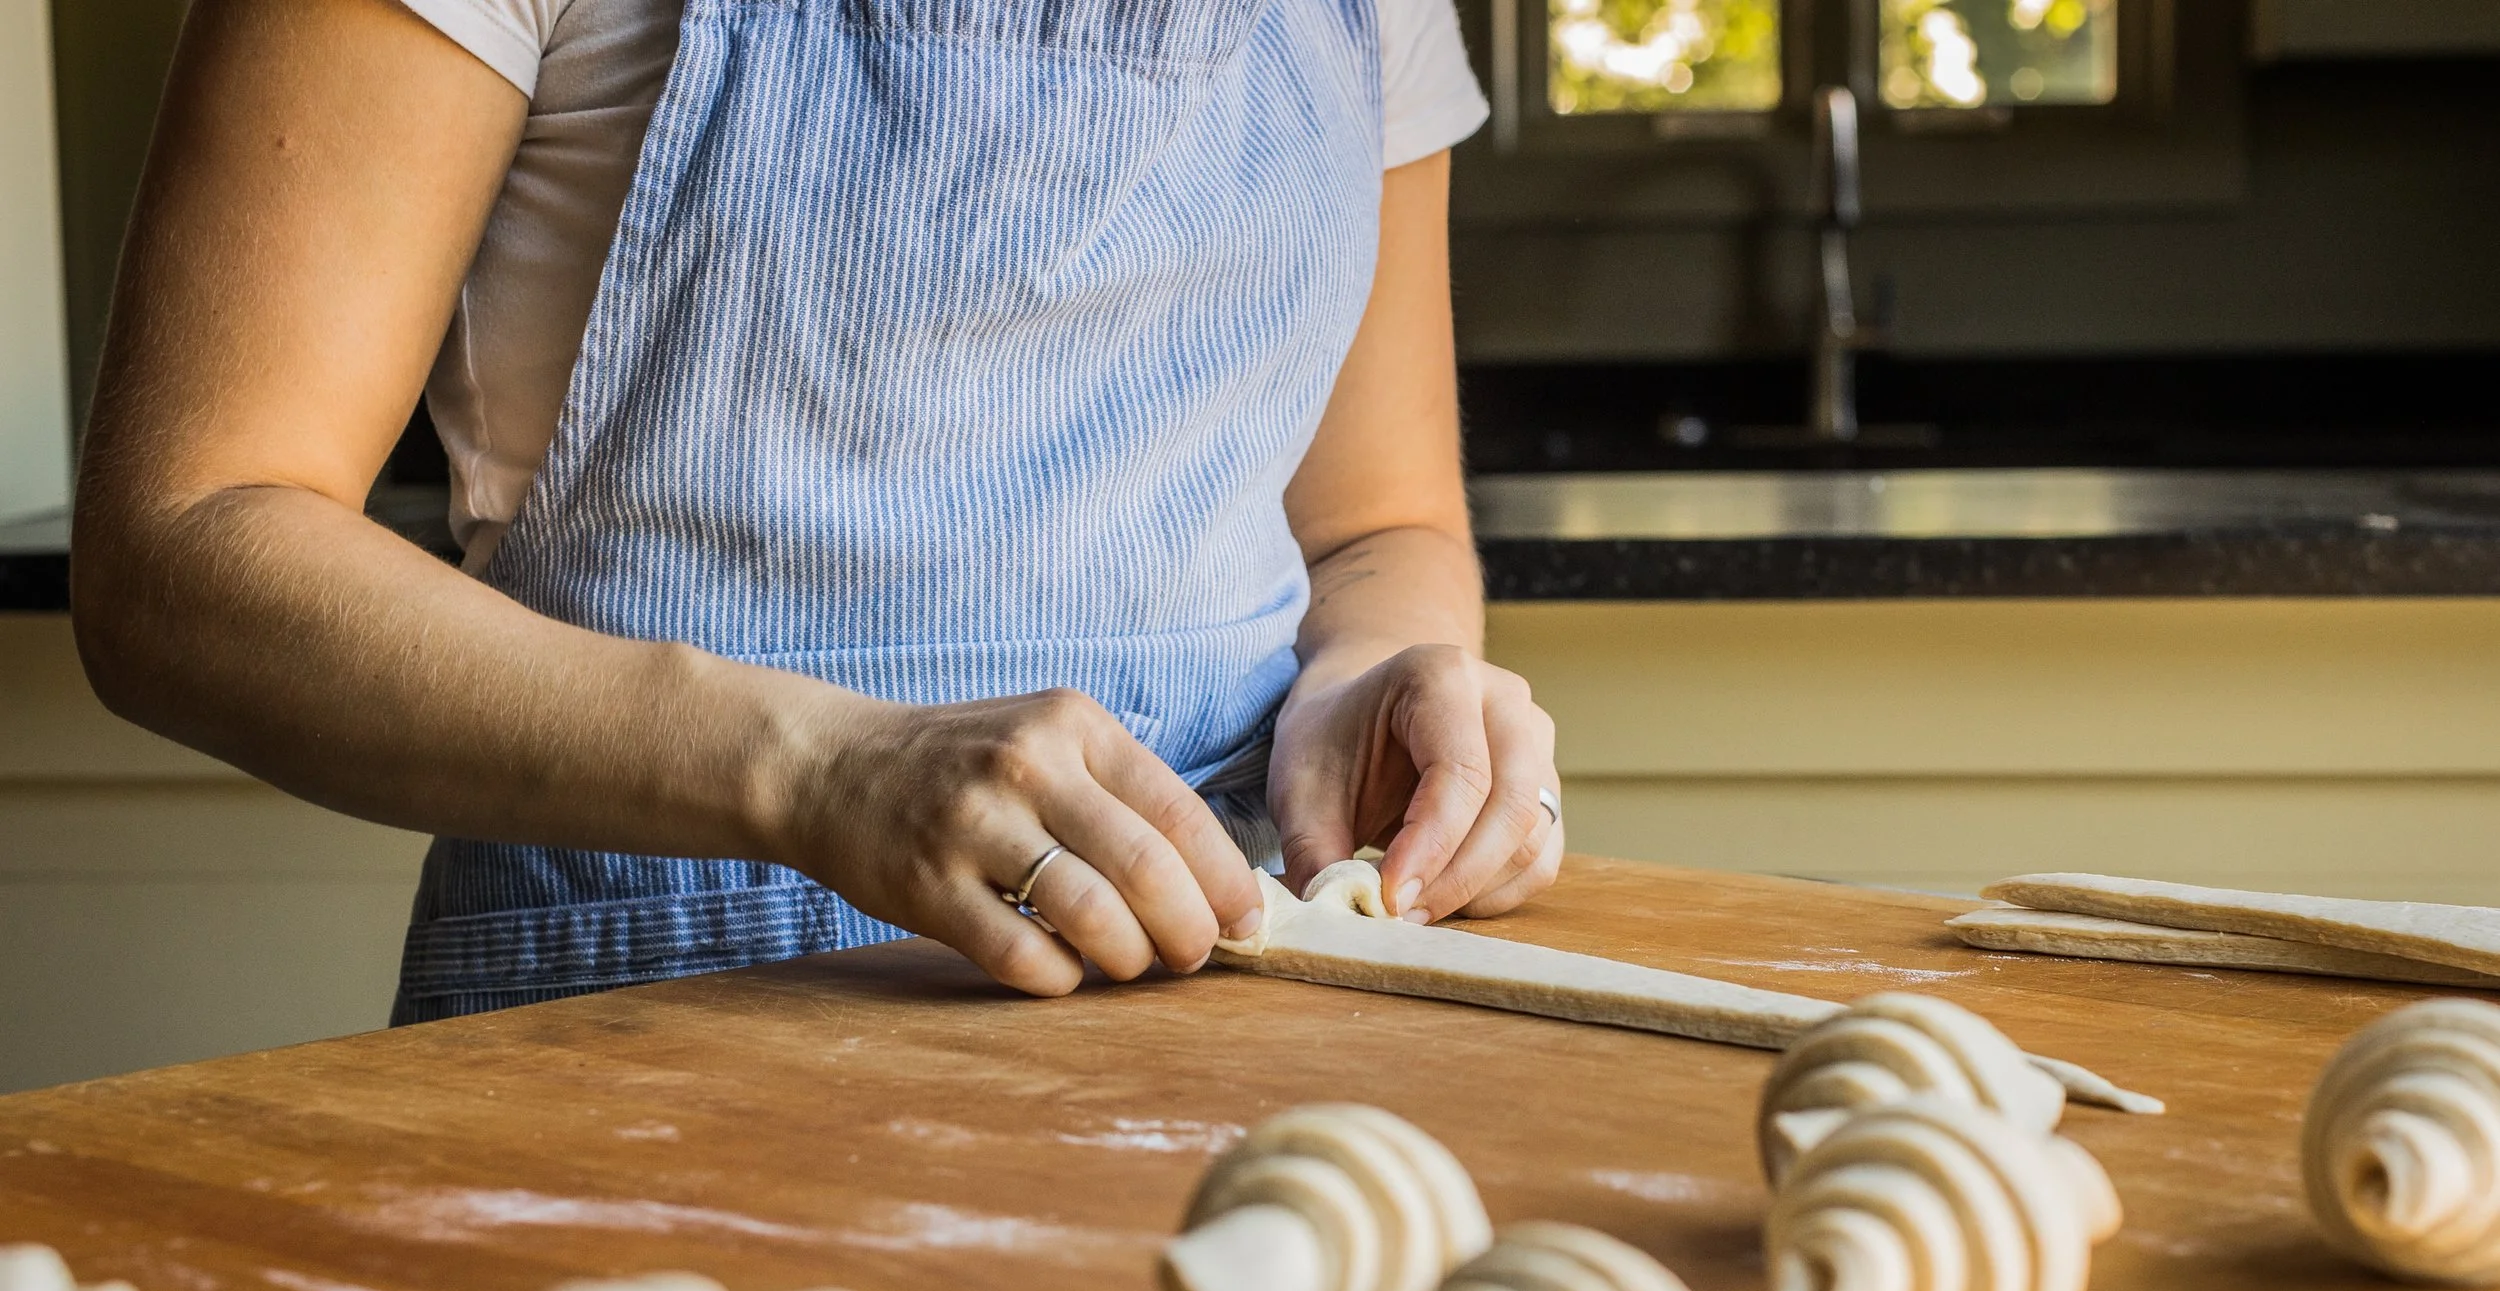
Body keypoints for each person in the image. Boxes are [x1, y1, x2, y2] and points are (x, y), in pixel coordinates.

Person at [71, 0, 1563, 1022]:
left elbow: (1377, 528)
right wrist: (818, 770)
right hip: (637, 1023)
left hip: (1225, 999)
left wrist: (1372, 681)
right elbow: (184, 543)